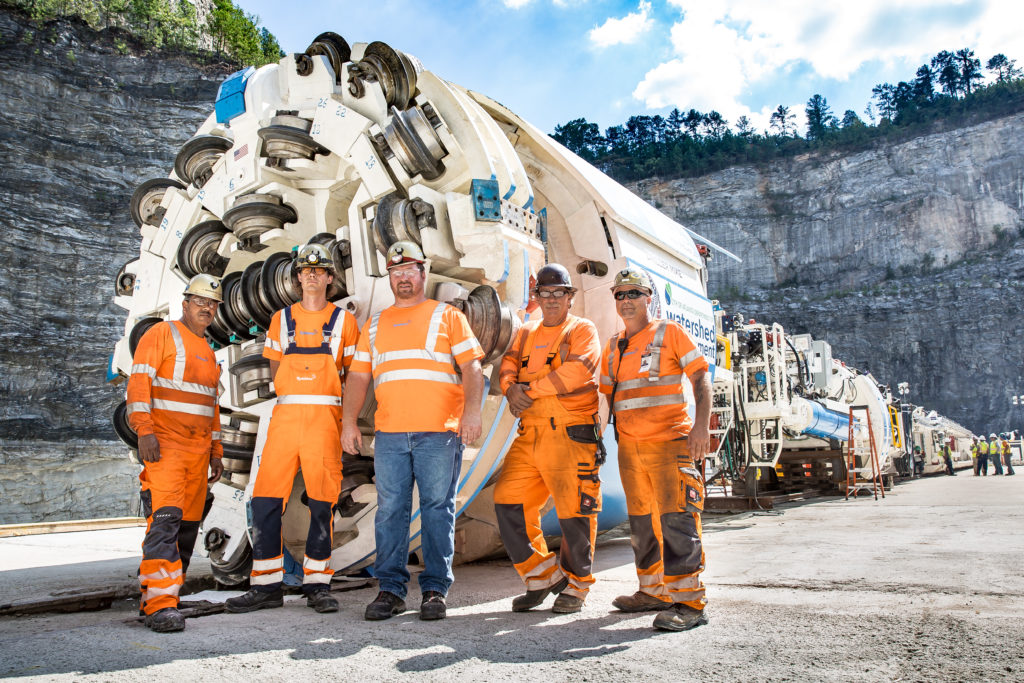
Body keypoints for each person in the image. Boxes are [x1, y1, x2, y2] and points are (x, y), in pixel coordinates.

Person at [342, 241, 484, 622]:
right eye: (395, 272)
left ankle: (436, 590)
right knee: (391, 512)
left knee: (438, 509)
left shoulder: (447, 316)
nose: (403, 278)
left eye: (410, 271)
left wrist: (472, 414)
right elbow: (358, 376)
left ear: (423, 274)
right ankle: (390, 590)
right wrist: (348, 421)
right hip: (390, 435)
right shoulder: (374, 325)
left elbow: (472, 368)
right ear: (389, 278)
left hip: (439, 433)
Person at [226, 244, 359, 615]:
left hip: (324, 422)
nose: (312, 275)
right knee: (265, 499)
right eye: (306, 270)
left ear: (330, 278)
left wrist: (346, 421)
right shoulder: (280, 320)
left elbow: (354, 376)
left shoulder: (345, 323)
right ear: (298, 277)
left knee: (322, 503)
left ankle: (318, 585)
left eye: (320, 270)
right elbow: (274, 369)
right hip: (285, 419)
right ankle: (266, 586)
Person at [599, 269, 712, 632]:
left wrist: (700, 427)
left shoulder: (669, 333)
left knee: (677, 521)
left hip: (670, 444)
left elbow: (700, 378)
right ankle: (654, 591)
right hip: (630, 450)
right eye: (620, 294)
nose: (626, 300)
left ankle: (690, 602)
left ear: (649, 297)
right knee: (643, 524)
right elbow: (605, 399)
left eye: (634, 293)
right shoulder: (614, 346)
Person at [493, 263, 603, 614]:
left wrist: (529, 391)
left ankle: (576, 586)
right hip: (532, 433)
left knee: (575, 511)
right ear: (536, 296)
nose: (552, 300)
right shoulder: (525, 332)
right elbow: (507, 364)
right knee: (508, 499)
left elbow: (578, 370)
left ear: (570, 297)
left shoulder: (581, 329)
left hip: (572, 432)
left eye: (559, 293)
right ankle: (540, 576)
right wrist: (511, 390)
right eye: (545, 293)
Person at [126, 274, 225, 633]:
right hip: (165, 448)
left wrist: (216, 451)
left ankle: (166, 593)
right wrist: (144, 431)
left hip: (197, 455)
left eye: (213, 303)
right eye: (201, 301)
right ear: (184, 303)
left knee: (186, 529)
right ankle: (159, 605)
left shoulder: (209, 352)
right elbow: (138, 384)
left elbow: (211, 407)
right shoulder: (161, 335)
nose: (207, 308)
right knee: (165, 523)